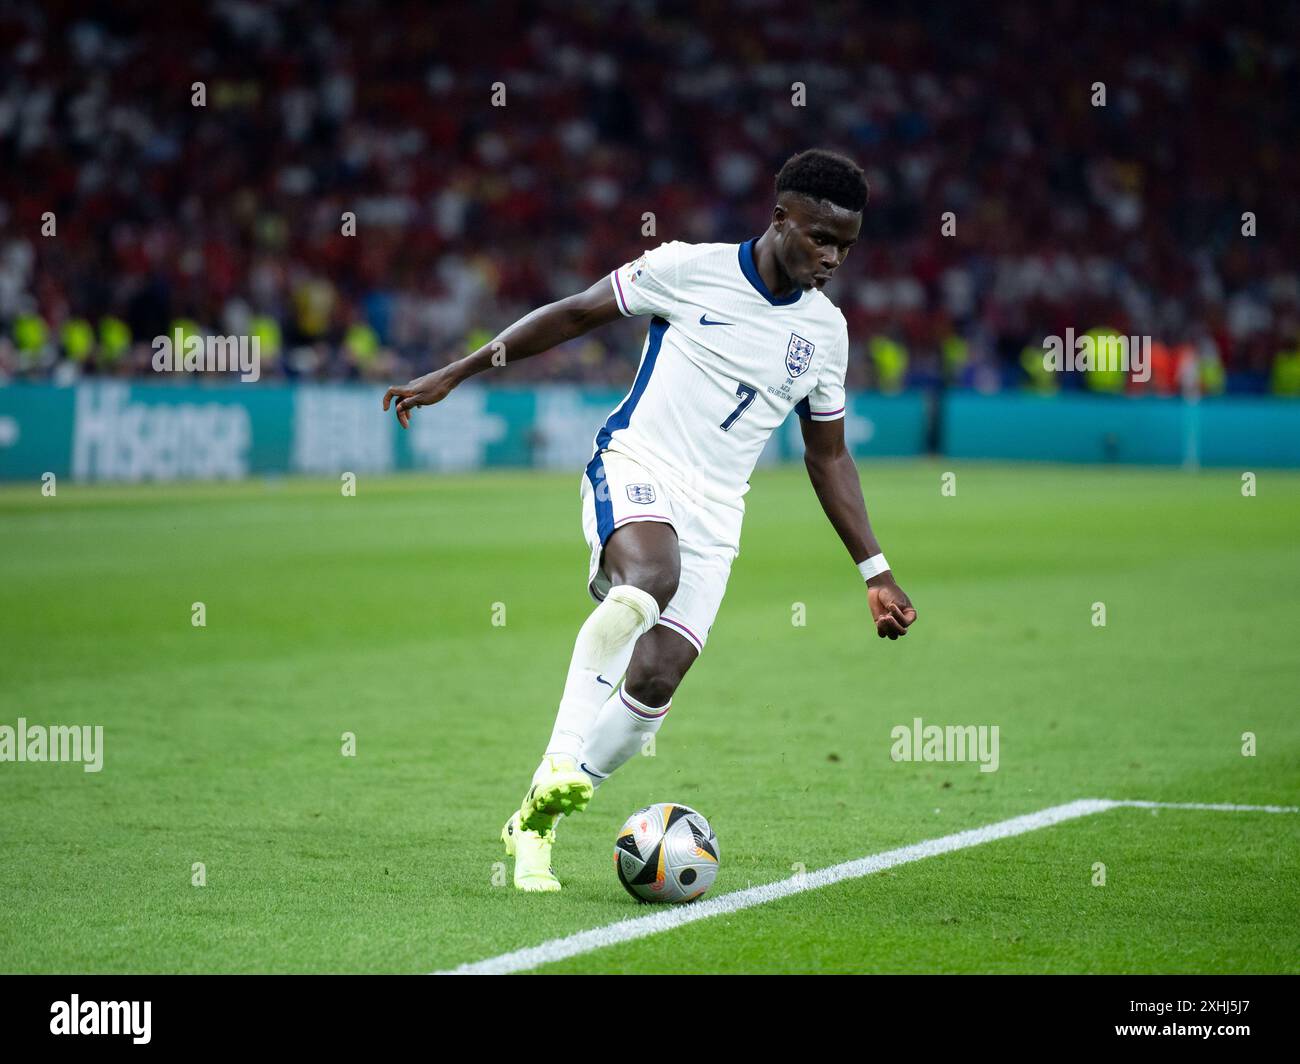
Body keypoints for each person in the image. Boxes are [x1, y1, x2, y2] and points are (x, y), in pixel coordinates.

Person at [383, 149, 917, 891]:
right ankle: (563, 756)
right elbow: (573, 314)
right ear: (782, 218)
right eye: (822, 239)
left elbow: (827, 456)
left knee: (656, 684)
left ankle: (536, 818)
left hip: (718, 514)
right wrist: (459, 371)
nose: (833, 259)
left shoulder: (826, 333)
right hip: (636, 466)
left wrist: (875, 571)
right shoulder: (687, 268)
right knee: (647, 582)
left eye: (847, 247)